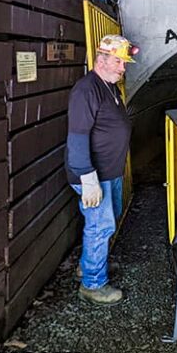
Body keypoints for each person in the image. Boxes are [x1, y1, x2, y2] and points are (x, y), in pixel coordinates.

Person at [65, 34, 137, 306]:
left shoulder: (109, 86)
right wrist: (88, 178)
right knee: (100, 226)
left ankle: (89, 264)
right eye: (119, 62)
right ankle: (93, 284)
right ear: (101, 59)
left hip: (109, 172)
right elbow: (78, 136)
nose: (123, 68)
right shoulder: (87, 90)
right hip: (93, 175)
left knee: (107, 220)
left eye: (124, 63)